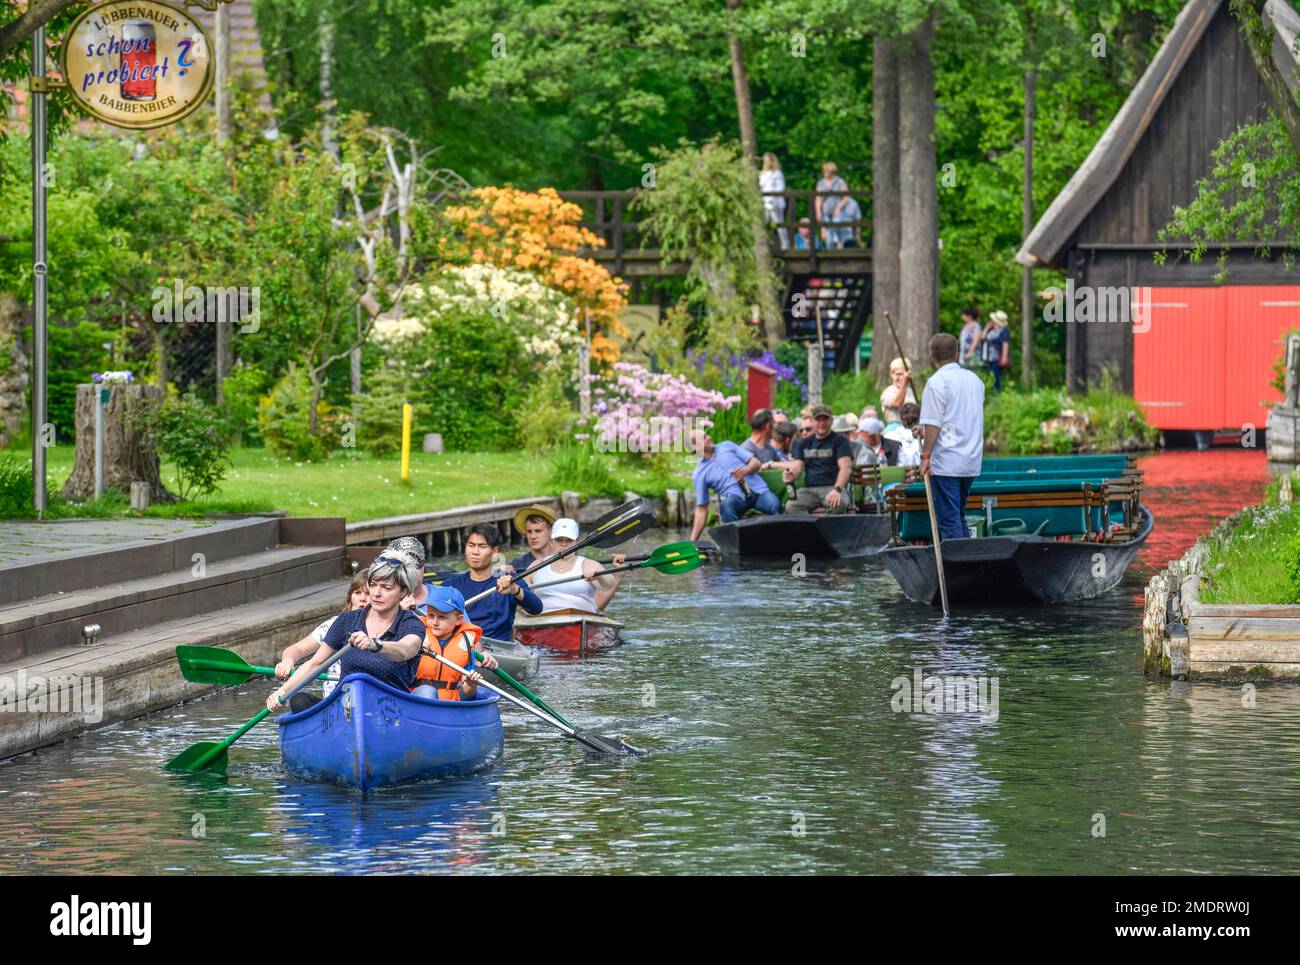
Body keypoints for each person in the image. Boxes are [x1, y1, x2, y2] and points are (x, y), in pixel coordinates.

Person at [267, 552, 426, 713]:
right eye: (373, 585)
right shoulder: (346, 620)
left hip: (392, 710)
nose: (376, 593)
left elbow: (405, 650)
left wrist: (376, 645)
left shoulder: (412, 624)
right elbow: (316, 664)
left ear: (403, 592)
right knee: (299, 700)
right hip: (347, 708)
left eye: (386, 588)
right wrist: (282, 692)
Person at [919, 332, 986, 540]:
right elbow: (958, 417)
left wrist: (926, 456)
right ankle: (967, 559)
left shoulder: (937, 382)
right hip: (971, 458)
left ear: (933, 357)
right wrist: (921, 430)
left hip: (947, 460)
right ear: (956, 353)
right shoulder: (975, 380)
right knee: (958, 513)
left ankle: (957, 566)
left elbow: (933, 424)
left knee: (949, 518)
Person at [440, 523, 544, 642]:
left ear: (495, 551)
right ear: (465, 549)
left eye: (482, 546)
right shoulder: (451, 585)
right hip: (462, 645)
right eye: (471, 545)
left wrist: (515, 590)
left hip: (499, 649)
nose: (475, 552)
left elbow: (537, 608)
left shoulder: (509, 581)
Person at [274, 573, 369, 696]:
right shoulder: (335, 624)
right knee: (299, 700)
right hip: (334, 699)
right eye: (357, 593)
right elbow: (297, 649)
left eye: (368, 594)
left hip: (368, 696)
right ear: (350, 597)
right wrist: (287, 661)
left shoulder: (385, 626)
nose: (362, 599)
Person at [688, 429, 781, 540]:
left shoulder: (727, 446)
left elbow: (756, 463)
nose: (709, 437)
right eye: (704, 437)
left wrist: (745, 470)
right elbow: (702, 509)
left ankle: (775, 538)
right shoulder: (699, 474)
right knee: (726, 507)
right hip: (736, 498)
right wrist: (692, 541)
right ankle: (738, 541)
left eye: (706, 435)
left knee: (774, 504)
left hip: (758, 491)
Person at [526, 518, 626, 612]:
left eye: (569, 540)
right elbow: (518, 593)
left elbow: (609, 585)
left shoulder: (588, 565)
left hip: (582, 619)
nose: (564, 544)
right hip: (543, 620)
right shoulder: (537, 565)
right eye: (559, 539)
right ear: (551, 541)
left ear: (577, 542)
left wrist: (599, 576)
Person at [410, 585, 486, 702]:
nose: (434, 622)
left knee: (473, 688)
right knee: (427, 690)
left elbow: (466, 696)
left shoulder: (465, 642)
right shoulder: (416, 632)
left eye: (442, 617)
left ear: (459, 619)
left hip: (450, 704)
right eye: (430, 615)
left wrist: (471, 686)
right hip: (414, 697)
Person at [784, 403, 853, 513]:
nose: (821, 423)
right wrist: (791, 474)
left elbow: (846, 468)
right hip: (809, 490)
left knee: (837, 503)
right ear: (813, 421)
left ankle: (828, 530)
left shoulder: (840, 441)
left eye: (825, 419)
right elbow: (798, 466)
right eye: (818, 419)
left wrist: (837, 489)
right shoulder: (804, 443)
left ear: (831, 421)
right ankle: (808, 529)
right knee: (792, 505)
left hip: (832, 487)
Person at [508, 504, 556, 572]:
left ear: (551, 531)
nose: (533, 536)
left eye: (538, 531)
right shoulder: (515, 566)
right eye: (529, 531)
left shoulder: (566, 558)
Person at [975, 309, 1012, 392]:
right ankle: (994, 393)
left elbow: (1005, 344)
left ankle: (996, 394)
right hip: (990, 357)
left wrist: (1004, 357)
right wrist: (987, 327)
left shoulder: (1004, 331)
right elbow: (983, 337)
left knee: (995, 377)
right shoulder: (992, 330)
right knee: (992, 376)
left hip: (997, 358)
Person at [815, 162, 849, 248]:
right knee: (828, 234)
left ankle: (839, 252)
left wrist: (838, 208)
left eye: (827, 170)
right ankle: (829, 252)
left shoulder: (840, 181)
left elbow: (845, 197)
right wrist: (818, 211)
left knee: (837, 232)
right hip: (826, 211)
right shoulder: (820, 183)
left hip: (837, 212)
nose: (825, 172)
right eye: (824, 170)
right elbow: (818, 198)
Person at [760, 153, 789, 248]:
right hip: (764, 201)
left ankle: (785, 243)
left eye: (768, 161)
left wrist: (773, 197)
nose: (766, 163)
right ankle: (766, 244)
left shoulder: (777, 173)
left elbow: (781, 188)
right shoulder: (762, 174)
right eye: (765, 161)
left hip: (775, 201)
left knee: (778, 223)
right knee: (764, 222)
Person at [880, 357, 918, 425]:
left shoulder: (910, 391)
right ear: (891, 374)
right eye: (898, 374)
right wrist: (905, 383)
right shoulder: (888, 391)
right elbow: (896, 403)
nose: (901, 378)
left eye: (903, 375)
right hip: (894, 431)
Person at [884, 403, 923, 467]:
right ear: (919, 417)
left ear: (900, 417)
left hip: (901, 472)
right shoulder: (927, 437)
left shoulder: (889, 436)